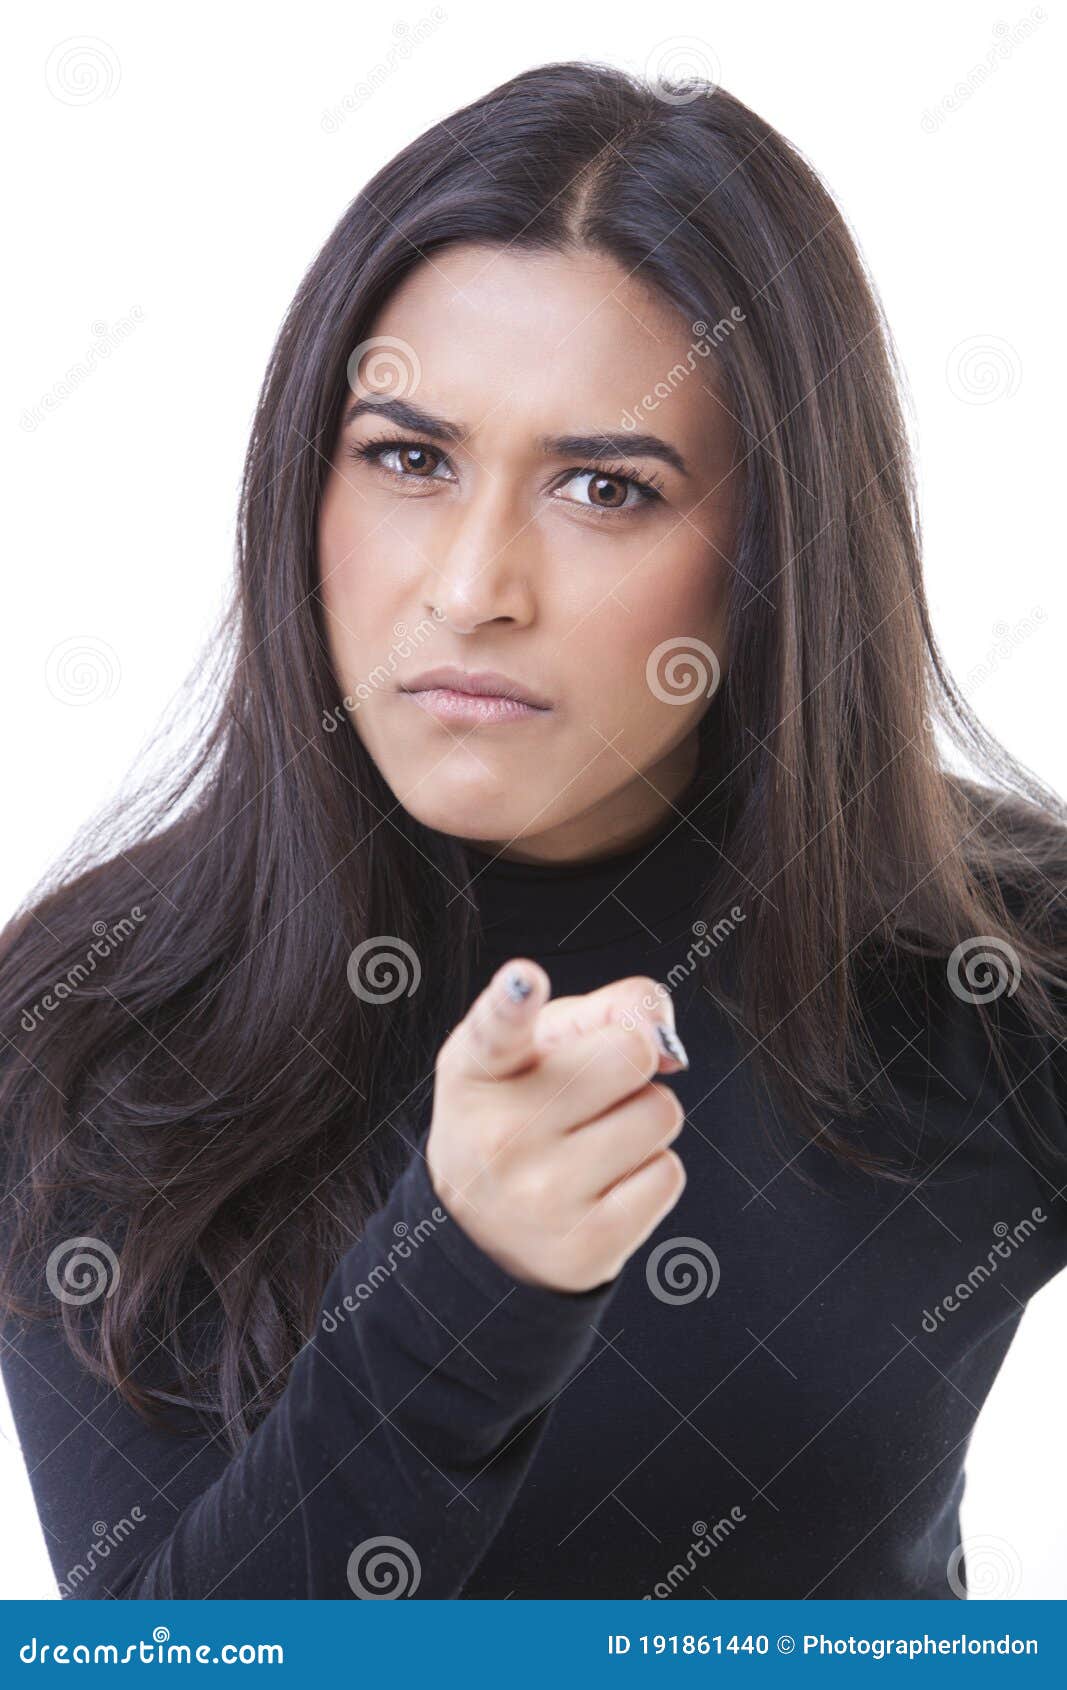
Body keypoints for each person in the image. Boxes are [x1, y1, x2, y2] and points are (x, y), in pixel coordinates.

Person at [2, 60, 1066, 1602]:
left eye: (604, 486)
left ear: (776, 545)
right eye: (410, 459)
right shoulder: (95, 1017)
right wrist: (470, 1277)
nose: (471, 585)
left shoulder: (1000, 965)